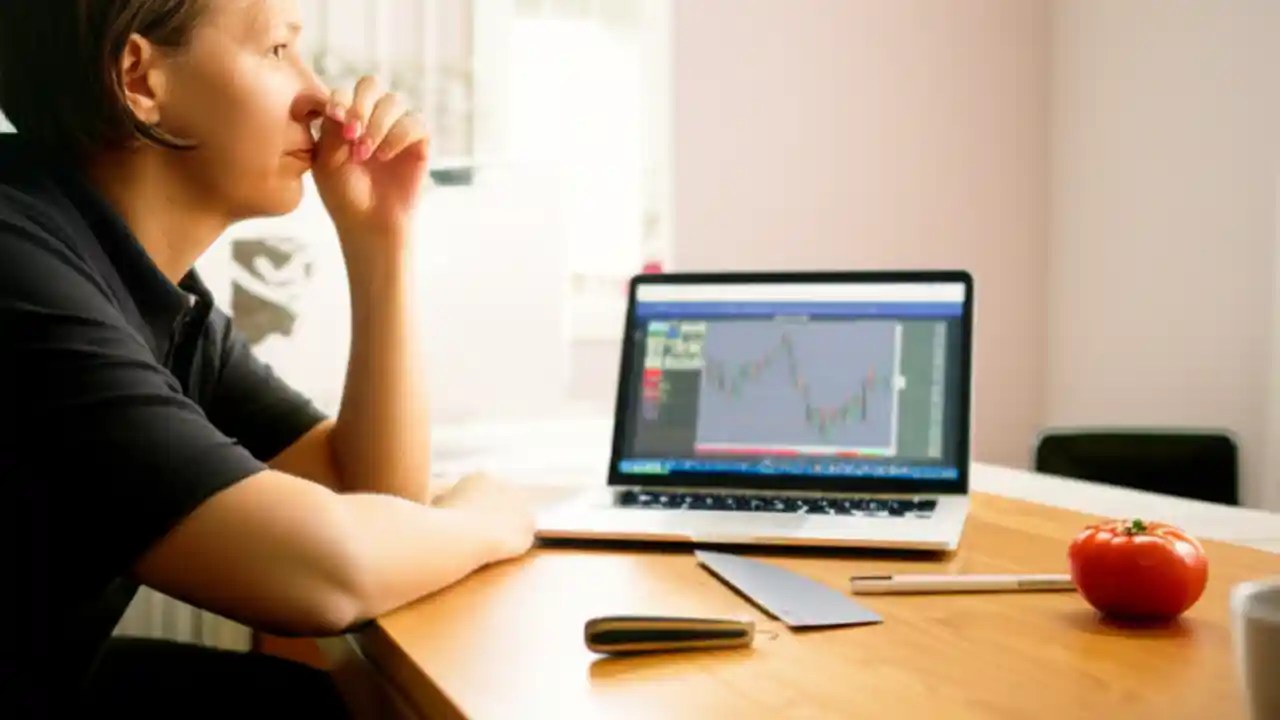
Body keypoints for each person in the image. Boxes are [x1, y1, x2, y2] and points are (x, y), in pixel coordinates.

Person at [0, 1, 536, 716]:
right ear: (139, 79)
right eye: (278, 50)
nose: (317, 95)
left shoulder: (145, 287)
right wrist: (489, 523)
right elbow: (324, 576)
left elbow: (373, 496)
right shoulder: (18, 272)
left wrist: (381, 240)